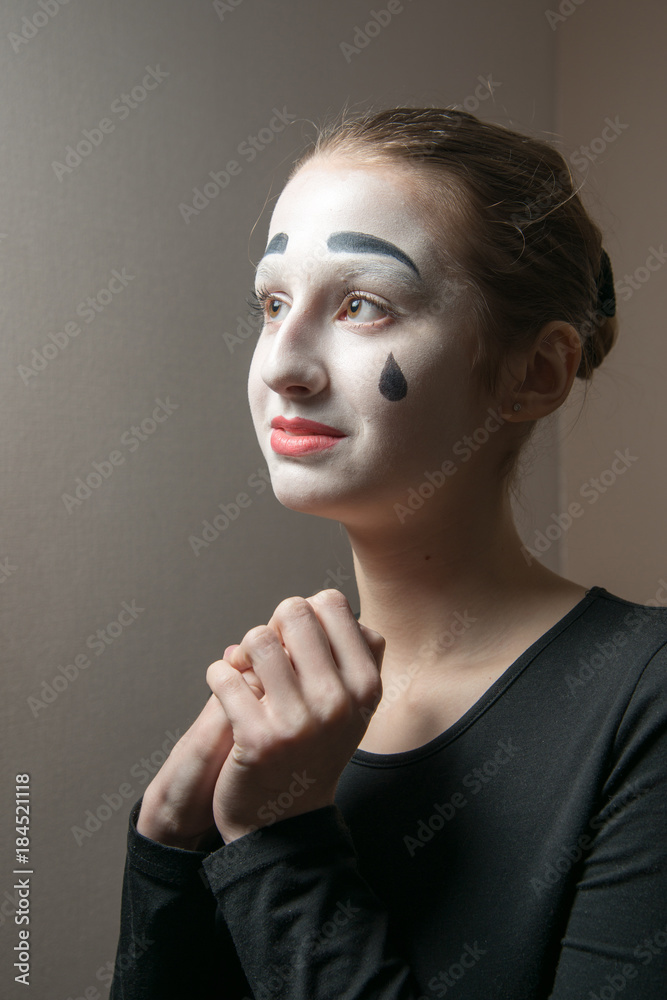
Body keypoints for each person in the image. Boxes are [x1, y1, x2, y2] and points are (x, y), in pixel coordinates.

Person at [109, 107, 667, 999]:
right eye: (272, 302)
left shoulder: (644, 703)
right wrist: (168, 851)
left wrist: (278, 844)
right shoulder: (273, 719)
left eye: (361, 304)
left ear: (534, 374)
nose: (282, 362)